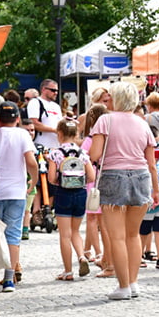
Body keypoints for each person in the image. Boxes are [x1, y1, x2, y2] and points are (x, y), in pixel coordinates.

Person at [88, 82, 158, 301]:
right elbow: (152, 163)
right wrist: (156, 189)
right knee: (133, 235)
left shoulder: (105, 120)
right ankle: (134, 283)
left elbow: (95, 154)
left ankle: (123, 285)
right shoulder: (142, 123)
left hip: (114, 177)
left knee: (116, 237)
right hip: (141, 177)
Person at [0, 101, 37, 290]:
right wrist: (34, 180)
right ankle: (8, 278)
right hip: (16, 192)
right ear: (17, 119)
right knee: (13, 235)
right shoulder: (23, 135)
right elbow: (31, 161)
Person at [48, 118, 95, 281]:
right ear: (76, 134)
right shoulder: (83, 153)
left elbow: (51, 178)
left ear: (59, 134)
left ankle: (68, 271)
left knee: (64, 235)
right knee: (75, 231)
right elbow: (92, 176)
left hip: (63, 194)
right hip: (80, 194)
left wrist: (62, 180)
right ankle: (82, 256)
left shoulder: (55, 153)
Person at [80, 104, 109, 272]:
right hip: (106, 177)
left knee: (92, 218)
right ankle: (99, 251)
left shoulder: (90, 139)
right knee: (103, 219)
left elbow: (85, 160)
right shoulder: (109, 137)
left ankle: (99, 253)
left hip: (93, 180)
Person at [27, 79, 63, 150]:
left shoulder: (56, 106)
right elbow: (34, 123)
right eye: (53, 90)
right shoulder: (35, 102)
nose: (55, 93)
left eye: (57, 91)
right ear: (43, 89)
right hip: (41, 145)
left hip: (56, 146)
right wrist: (54, 130)